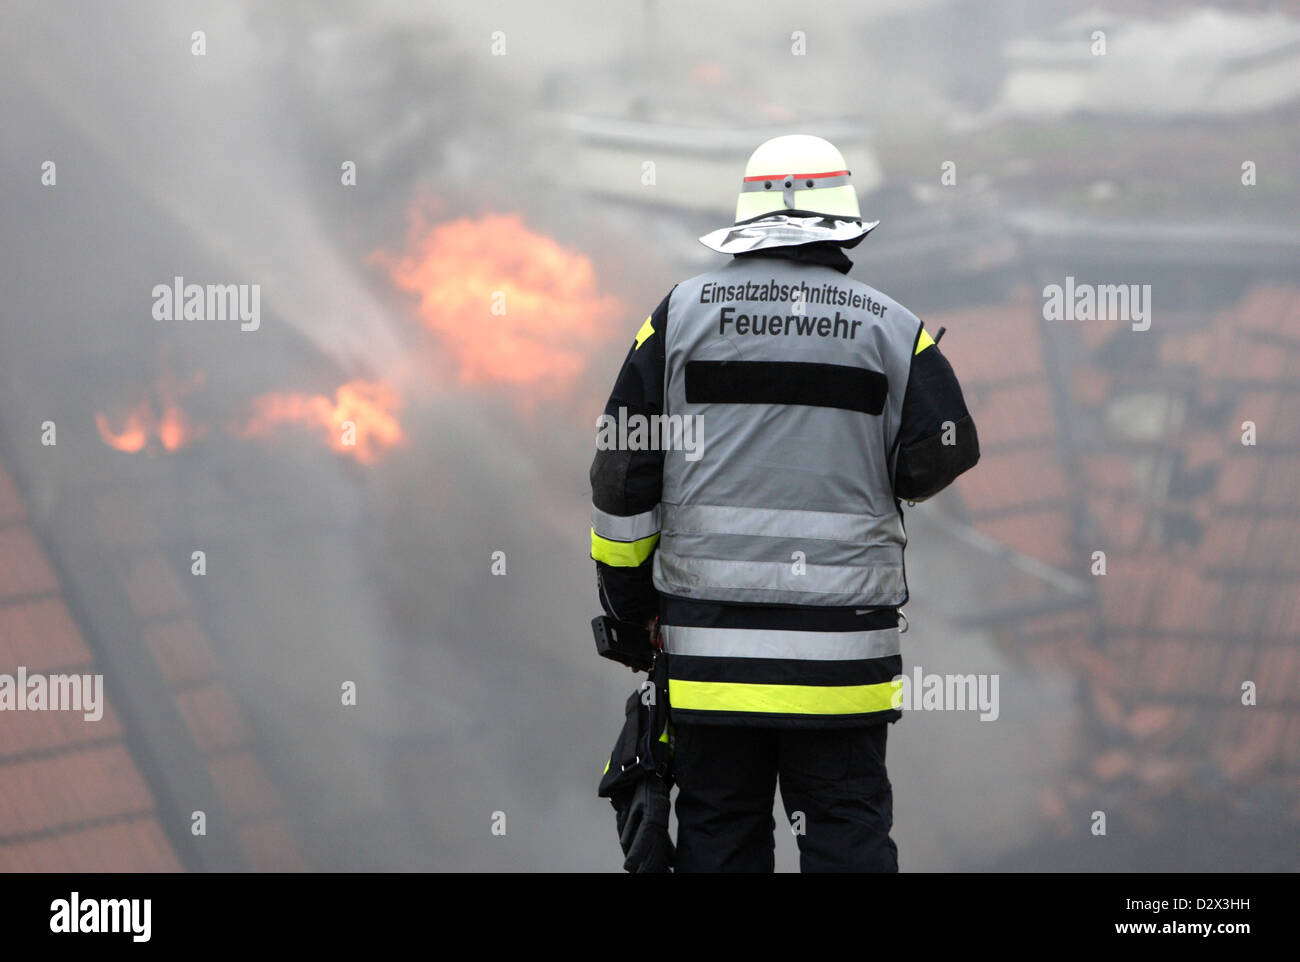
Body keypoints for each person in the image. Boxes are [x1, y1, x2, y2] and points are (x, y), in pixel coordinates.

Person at [589, 134, 980, 872]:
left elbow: (620, 479)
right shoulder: (893, 327)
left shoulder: (676, 319)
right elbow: (946, 450)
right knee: (846, 834)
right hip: (840, 664)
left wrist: (629, 608)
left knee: (719, 835)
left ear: (745, 230)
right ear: (843, 227)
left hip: (710, 657)